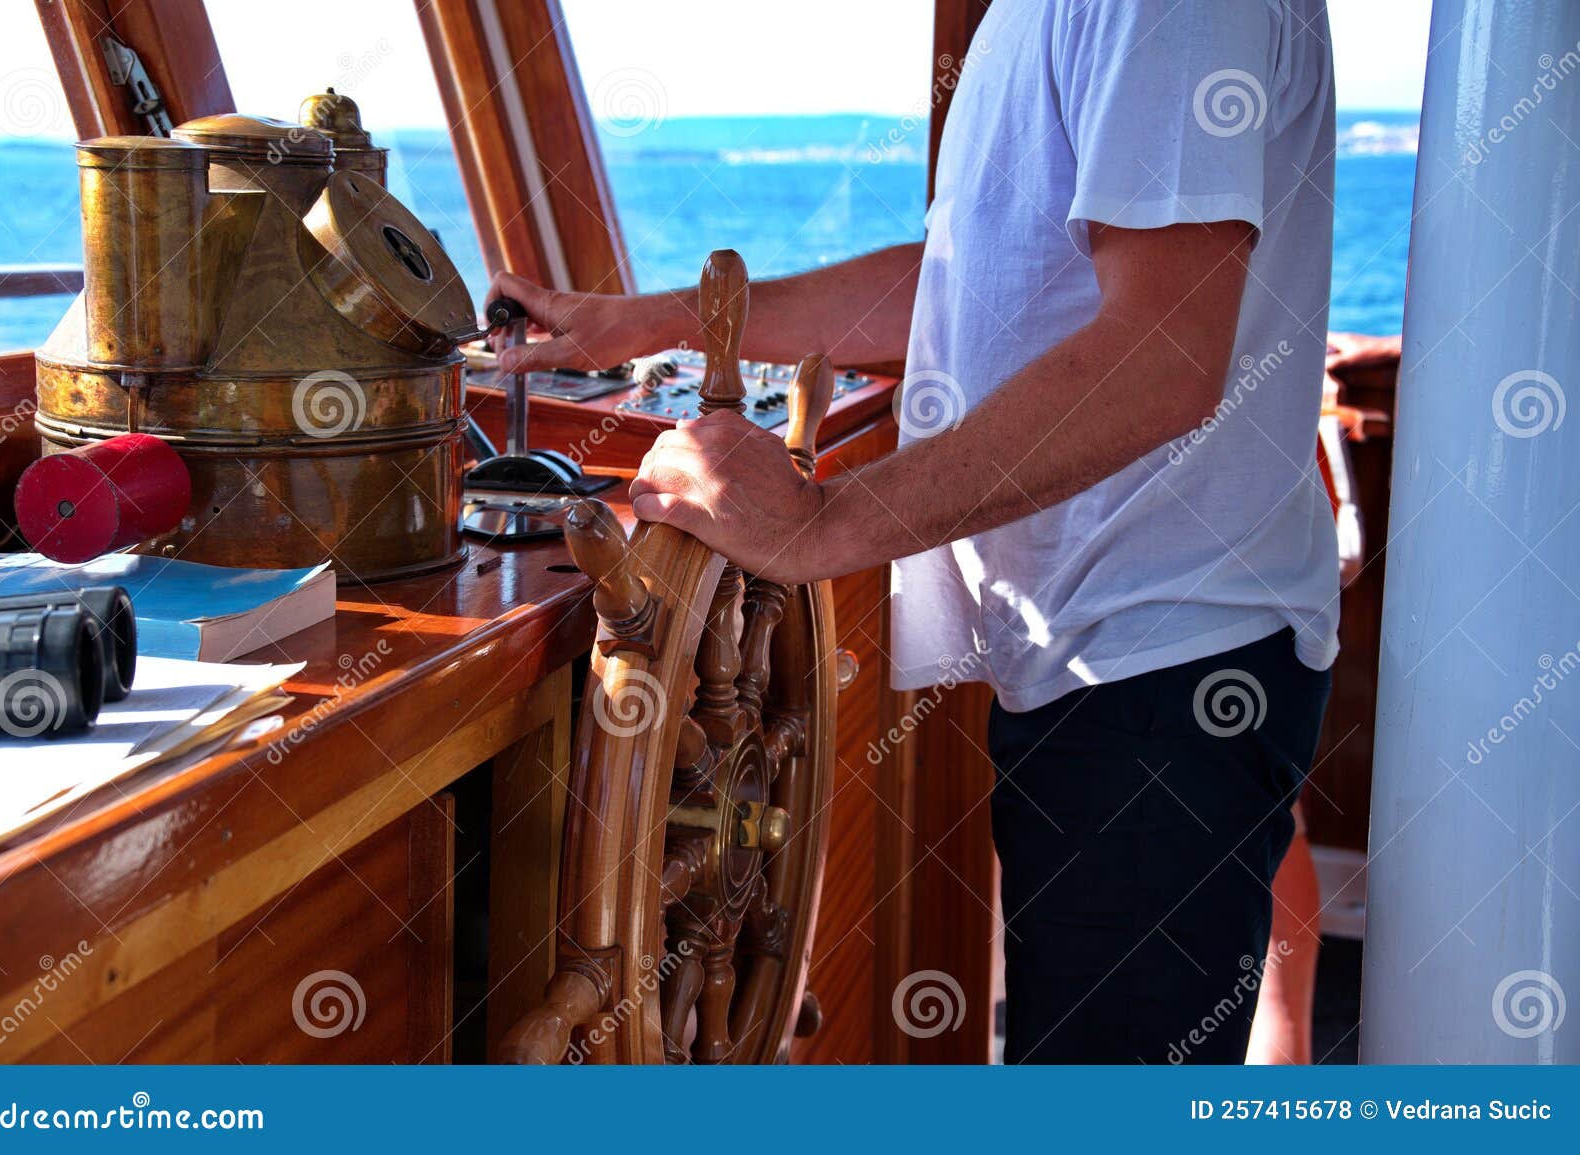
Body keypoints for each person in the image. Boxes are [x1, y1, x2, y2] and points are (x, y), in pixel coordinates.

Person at [488, 0, 1338, 1064]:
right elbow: (963, 276)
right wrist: (654, 318)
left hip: (1165, 667)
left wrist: (819, 524)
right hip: (1106, 656)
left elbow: (1162, 354)